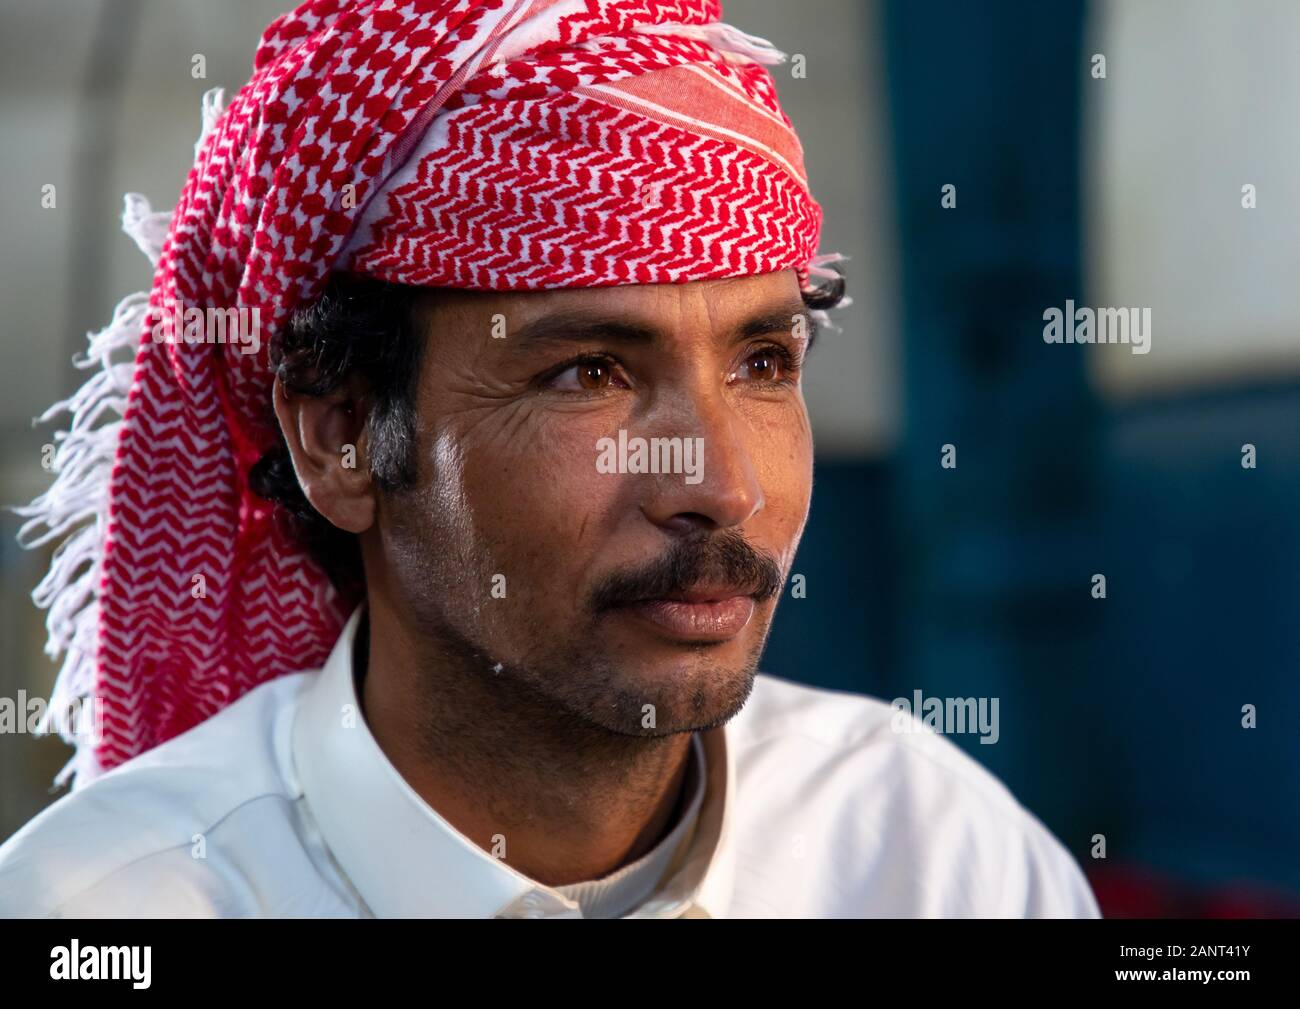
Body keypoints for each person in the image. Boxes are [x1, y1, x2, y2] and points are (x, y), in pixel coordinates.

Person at [0, 0, 1099, 918]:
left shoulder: (934, 857)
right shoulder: (104, 908)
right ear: (339, 436)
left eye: (763, 363)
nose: (722, 487)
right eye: (589, 374)